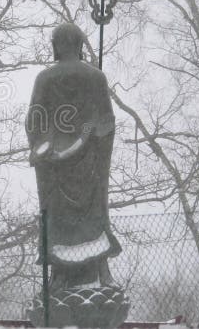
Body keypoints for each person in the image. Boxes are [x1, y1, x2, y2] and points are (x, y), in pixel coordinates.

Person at [25, 23, 121, 291]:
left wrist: (43, 147)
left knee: (56, 217)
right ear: (80, 45)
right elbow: (107, 122)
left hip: (55, 164)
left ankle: (62, 274)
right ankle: (98, 271)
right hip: (89, 163)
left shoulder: (45, 79)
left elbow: (35, 120)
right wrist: (90, 138)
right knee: (94, 214)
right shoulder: (95, 77)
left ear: (57, 46)